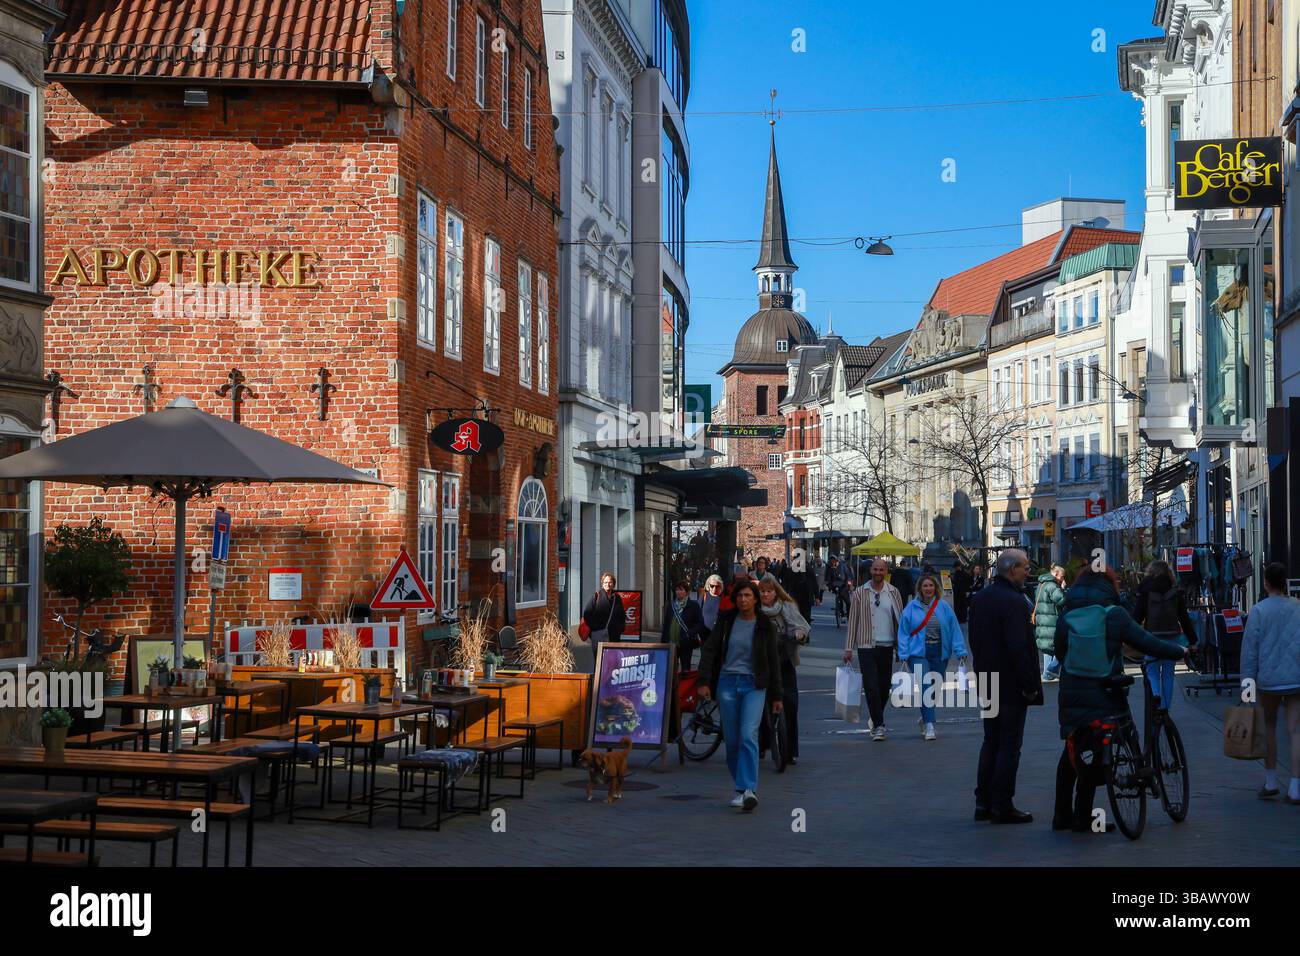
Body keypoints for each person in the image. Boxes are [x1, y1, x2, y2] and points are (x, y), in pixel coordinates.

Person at [1052, 566, 1185, 831]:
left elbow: (1059, 650)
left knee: (1073, 752)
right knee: (1101, 748)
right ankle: (1083, 816)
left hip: (1072, 693)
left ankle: (1062, 816)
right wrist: (1179, 652)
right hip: (1106, 691)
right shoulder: (1115, 615)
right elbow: (1147, 642)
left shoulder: (1066, 614)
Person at [696, 579, 784, 812]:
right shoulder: (726, 621)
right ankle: (741, 787)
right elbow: (710, 650)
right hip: (727, 683)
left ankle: (747, 789)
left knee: (748, 734)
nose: (743, 600)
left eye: (747, 595)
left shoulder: (765, 625)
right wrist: (703, 681)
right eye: (739, 596)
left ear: (755, 599)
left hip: (754, 685)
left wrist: (777, 696)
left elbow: (773, 662)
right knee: (733, 740)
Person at [969, 549, 1042, 824]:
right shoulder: (1015, 601)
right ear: (1012, 569)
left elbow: (974, 640)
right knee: (1009, 745)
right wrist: (1030, 685)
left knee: (991, 741)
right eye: (1024, 567)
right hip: (1010, 683)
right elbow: (1018, 648)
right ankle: (1002, 804)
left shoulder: (981, 598)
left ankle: (983, 802)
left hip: (987, 679)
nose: (1028, 572)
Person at [1240, 562, 1300, 803]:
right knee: (1296, 730)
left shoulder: (1258, 611)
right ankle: (1296, 786)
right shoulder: (1298, 608)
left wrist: (1247, 687)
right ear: (1285, 582)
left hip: (1268, 680)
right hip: (1296, 678)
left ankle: (1271, 780)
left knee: (1269, 727)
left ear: (1266, 583)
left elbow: (1250, 652)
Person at [896, 571, 967, 741]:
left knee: (934, 689)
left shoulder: (944, 607)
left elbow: (954, 630)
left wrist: (960, 651)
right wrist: (903, 653)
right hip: (918, 653)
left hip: (939, 652)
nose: (928, 588)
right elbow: (904, 632)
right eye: (925, 585)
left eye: (931, 585)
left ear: (936, 588)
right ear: (919, 588)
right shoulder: (911, 609)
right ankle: (929, 725)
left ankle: (925, 717)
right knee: (926, 686)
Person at [843, 558, 904, 740]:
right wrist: (848, 648)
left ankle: (875, 716)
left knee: (884, 686)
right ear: (871, 570)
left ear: (886, 572)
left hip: (887, 645)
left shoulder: (893, 592)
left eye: (881, 570)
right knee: (871, 686)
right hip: (866, 645)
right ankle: (879, 725)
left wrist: (902, 646)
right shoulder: (860, 592)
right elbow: (853, 620)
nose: (878, 572)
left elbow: (900, 620)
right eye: (875, 569)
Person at [757, 574, 810, 764]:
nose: (765, 595)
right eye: (762, 591)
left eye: (769, 591)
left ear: (776, 592)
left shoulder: (787, 606)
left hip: (784, 659)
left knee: (790, 702)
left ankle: (788, 750)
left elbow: (801, 626)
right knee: (760, 704)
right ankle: (761, 744)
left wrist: (799, 634)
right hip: (761, 662)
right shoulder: (754, 610)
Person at [1134, 560, 1197, 709]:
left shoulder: (1146, 593)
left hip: (1152, 637)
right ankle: (1165, 709)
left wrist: (1131, 637)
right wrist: (1193, 640)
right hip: (1172, 637)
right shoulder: (1175, 592)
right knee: (1168, 674)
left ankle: (1156, 697)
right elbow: (1184, 619)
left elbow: (1136, 617)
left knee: (1152, 670)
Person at [1034, 565, 1067, 682]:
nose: (1063, 580)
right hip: (1051, 622)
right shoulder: (1052, 585)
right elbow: (1062, 600)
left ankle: (1048, 674)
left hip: (1043, 622)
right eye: (1062, 577)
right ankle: (1050, 670)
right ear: (1055, 574)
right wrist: (1062, 589)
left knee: (1048, 649)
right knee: (1062, 645)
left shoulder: (1041, 584)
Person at [667, 579, 708, 672]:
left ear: (687, 592)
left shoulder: (693, 605)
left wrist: (689, 633)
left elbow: (701, 624)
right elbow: (666, 624)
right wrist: (663, 641)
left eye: (681, 590)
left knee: (685, 668)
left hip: (686, 642)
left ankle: (684, 686)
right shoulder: (671, 605)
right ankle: (673, 686)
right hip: (671, 643)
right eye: (677, 590)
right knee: (671, 669)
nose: (678, 592)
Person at [582, 572, 624, 643]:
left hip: (614, 635)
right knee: (599, 653)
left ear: (613, 584)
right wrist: (595, 628)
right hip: (598, 634)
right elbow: (587, 614)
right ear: (602, 584)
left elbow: (622, 614)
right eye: (605, 582)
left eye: (610, 582)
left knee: (613, 654)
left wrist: (620, 628)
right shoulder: (596, 596)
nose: (607, 584)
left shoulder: (617, 597)